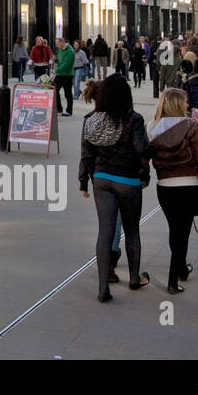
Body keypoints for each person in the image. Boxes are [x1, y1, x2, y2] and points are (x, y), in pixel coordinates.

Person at [78, 75, 150, 302]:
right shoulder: (133, 119)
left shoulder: (91, 119)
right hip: (127, 179)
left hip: (101, 178)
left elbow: (86, 154)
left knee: (105, 232)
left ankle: (102, 289)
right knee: (132, 231)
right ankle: (134, 277)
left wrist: (83, 181)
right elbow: (142, 150)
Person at [146, 88, 198, 294]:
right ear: (178, 104)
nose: (188, 105)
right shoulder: (190, 126)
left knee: (174, 228)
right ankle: (173, 279)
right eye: (185, 101)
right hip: (188, 183)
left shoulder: (151, 127)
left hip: (164, 185)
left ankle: (181, 267)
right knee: (183, 231)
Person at [54, 38, 75, 116]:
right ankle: (59, 108)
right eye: (56, 44)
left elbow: (66, 64)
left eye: (57, 44)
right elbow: (60, 60)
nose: (56, 46)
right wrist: (55, 59)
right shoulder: (60, 49)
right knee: (54, 90)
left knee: (67, 93)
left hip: (67, 75)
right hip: (59, 75)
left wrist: (57, 70)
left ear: (62, 42)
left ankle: (69, 111)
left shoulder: (70, 51)